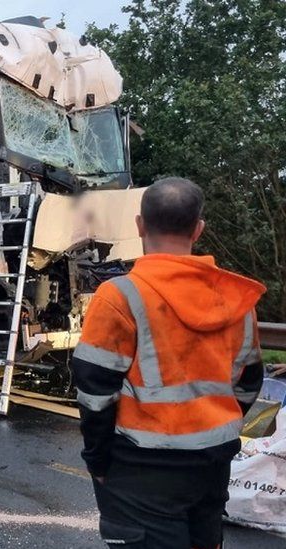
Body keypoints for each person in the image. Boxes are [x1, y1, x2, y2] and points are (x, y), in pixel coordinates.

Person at [71, 177, 266, 548]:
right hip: (212, 466)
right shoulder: (237, 301)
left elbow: (95, 392)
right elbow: (249, 382)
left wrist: (97, 462)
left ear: (140, 224)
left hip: (141, 470)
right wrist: (212, 426)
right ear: (198, 229)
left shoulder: (119, 296)